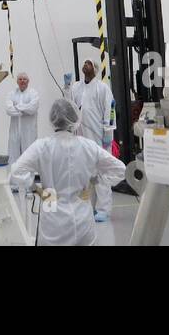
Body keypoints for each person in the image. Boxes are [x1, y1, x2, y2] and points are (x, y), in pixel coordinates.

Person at [10, 99, 126, 245]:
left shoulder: (41, 147)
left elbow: (15, 172)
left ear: (52, 120)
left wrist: (36, 189)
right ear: (76, 120)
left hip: (52, 220)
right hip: (83, 223)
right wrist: (94, 181)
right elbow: (120, 170)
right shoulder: (88, 146)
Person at [68, 60, 115, 222]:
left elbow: (110, 109)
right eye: (84, 63)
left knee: (101, 174)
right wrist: (66, 87)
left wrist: (108, 132)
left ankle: (103, 209)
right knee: (84, 174)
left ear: (94, 69)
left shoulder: (102, 88)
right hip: (80, 137)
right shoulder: (76, 87)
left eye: (88, 63)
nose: (85, 65)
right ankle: (87, 207)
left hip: (98, 137)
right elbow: (70, 106)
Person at [4, 72, 39, 165]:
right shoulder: (11, 94)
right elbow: (8, 110)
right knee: (13, 157)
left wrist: (17, 107)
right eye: (20, 79)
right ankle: (13, 177)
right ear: (17, 81)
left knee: (29, 156)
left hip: (29, 132)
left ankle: (30, 177)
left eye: (24, 79)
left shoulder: (33, 93)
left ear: (28, 81)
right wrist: (24, 109)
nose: (22, 81)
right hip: (15, 131)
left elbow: (33, 108)